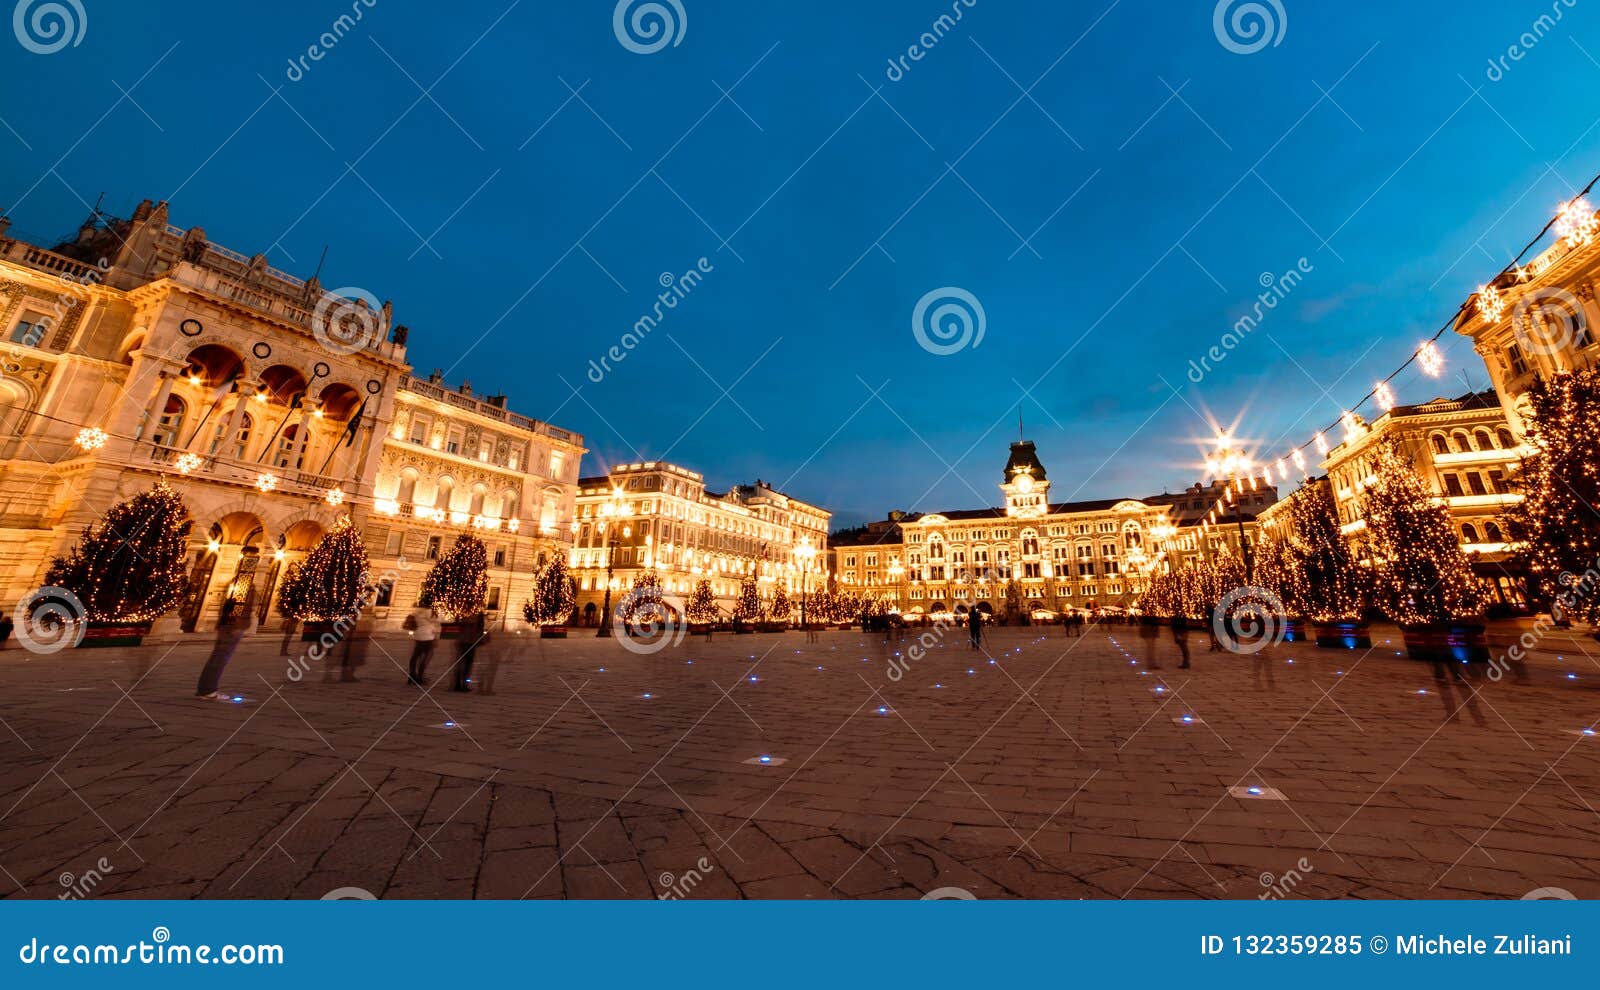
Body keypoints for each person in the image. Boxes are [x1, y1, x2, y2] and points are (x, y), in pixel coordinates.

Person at [196, 589, 253, 699]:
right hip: (232, 628)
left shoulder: (233, 586)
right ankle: (208, 690)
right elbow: (244, 611)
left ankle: (205, 689)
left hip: (227, 625)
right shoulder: (247, 589)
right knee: (220, 660)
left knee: (216, 659)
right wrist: (239, 625)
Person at [405, 605, 441, 687]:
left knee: (415, 656)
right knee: (427, 657)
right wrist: (436, 637)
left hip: (418, 636)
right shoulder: (429, 611)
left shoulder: (415, 611)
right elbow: (436, 623)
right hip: (428, 636)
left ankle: (412, 676)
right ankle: (420, 677)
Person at [452, 613, 486, 692]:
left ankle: (457, 684)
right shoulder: (478, 614)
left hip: (462, 641)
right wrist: (480, 640)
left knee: (461, 664)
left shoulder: (461, 612)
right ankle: (464, 684)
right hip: (471, 642)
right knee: (468, 666)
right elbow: (480, 628)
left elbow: (457, 624)